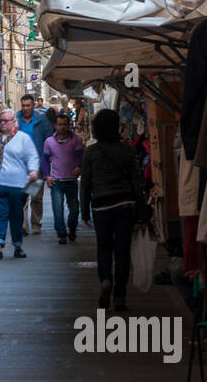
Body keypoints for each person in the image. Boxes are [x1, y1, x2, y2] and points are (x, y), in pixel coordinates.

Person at [79, 108, 148, 311]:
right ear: (117, 127)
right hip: (125, 204)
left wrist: (84, 210)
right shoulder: (127, 150)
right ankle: (120, 295)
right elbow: (137, 183)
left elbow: (85, 184)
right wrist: (143, 211)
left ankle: (105, 280)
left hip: (101, 205)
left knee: (104, 247)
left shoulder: (91, 152)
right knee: (122, 251)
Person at [0, 107, 40, 259]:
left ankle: (17, 245)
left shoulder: (23, 138)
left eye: (6, 121)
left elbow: (32, 156)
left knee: (16, 216)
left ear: (14, 122)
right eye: (1, 121)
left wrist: (32, 170)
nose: (3, 123)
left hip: (18, 185)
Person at [42, 112, 84, 244]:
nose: (62, 127)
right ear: (55, 125)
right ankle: (61, 233)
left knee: (74, 209)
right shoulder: (49, 141)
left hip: (71, 180)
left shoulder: (76, 140)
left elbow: (81, 156)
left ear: (69, 125)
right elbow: (44, 160)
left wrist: (79, 166)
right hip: (56, 181)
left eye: (65, 124)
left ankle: (72, 228)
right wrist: (47, 176)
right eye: (60, 124)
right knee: (57, 209)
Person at [16, 94, 53, 235]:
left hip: (37, 164)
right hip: (20, 165)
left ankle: (36, 224)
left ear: (33, 106)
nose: (25, 108)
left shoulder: (41, 121)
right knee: (21, 197)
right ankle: (23, 226)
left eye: (28, 105)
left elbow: (49, 141)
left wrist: (46, 164)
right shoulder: (16, 119)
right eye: (23, 105)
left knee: (36, 197)